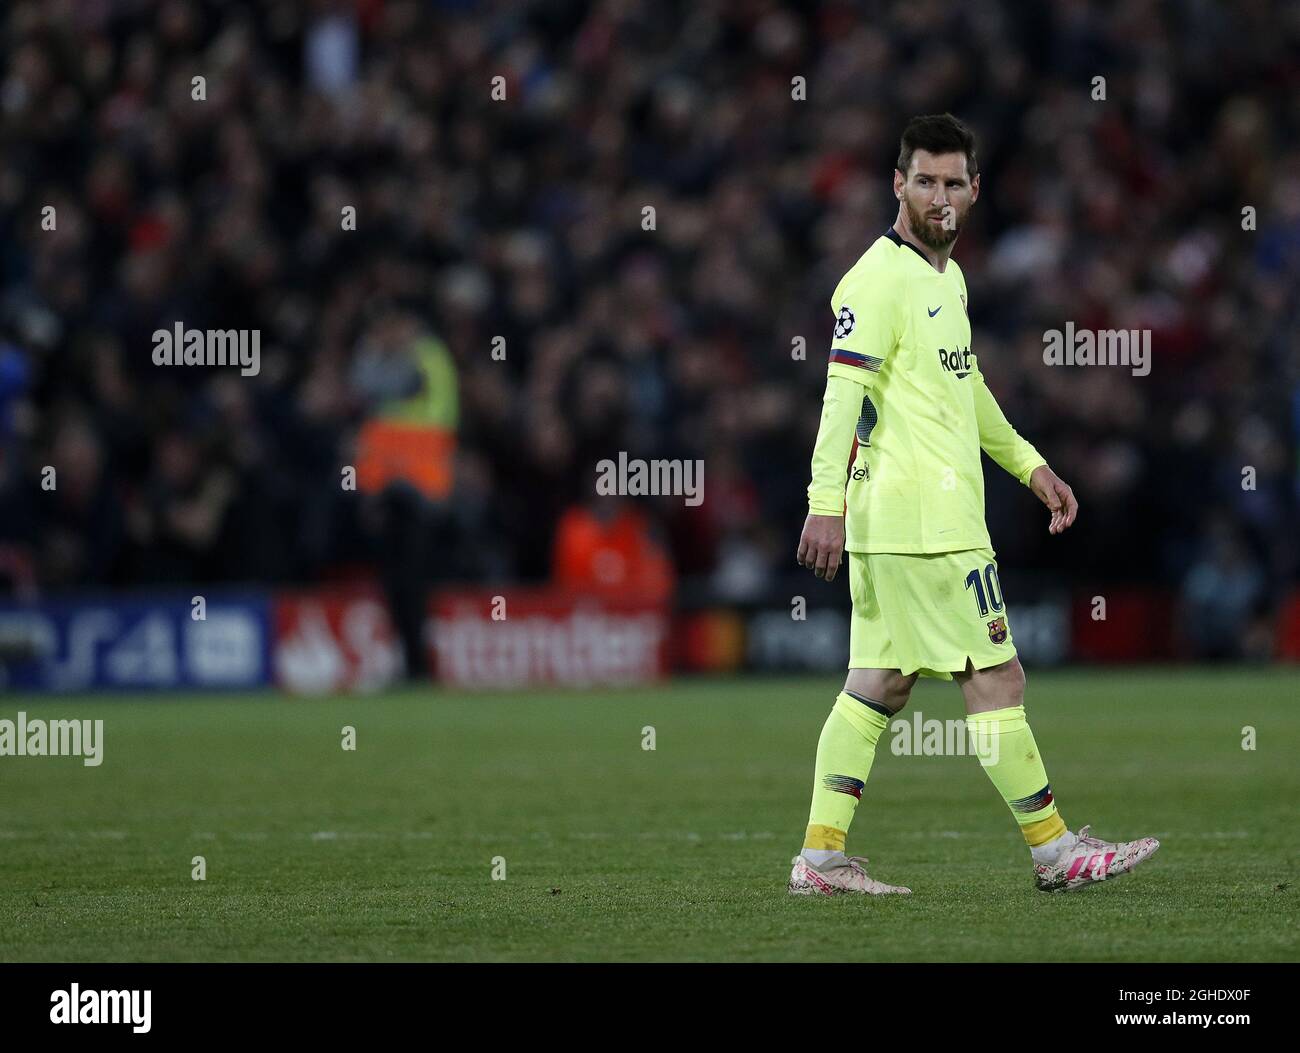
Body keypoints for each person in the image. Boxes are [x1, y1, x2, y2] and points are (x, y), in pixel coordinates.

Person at [790, 114, 1159, 895]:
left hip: (902, 527)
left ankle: (820, 857)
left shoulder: (945, 278)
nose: (940, 194)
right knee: (999, 678)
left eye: (954, 181)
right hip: (927, 527)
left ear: (975, 189)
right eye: (924, 179)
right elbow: (840, 396)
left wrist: (1030, 466)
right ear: (898, 185)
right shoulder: (878, 279)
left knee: (877, 686)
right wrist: (823, 502)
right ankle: (1056, 850)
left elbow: (969, 387)